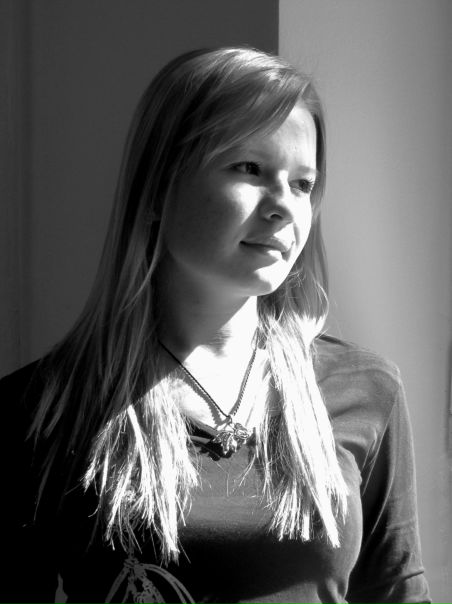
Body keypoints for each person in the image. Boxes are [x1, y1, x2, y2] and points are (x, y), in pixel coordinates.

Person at [1, 46, 431, 604]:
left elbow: (396, 591)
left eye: (303, 184)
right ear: (158, 188)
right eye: (250, 169)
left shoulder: (366, 390)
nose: (284, 206)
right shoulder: (44, 410)